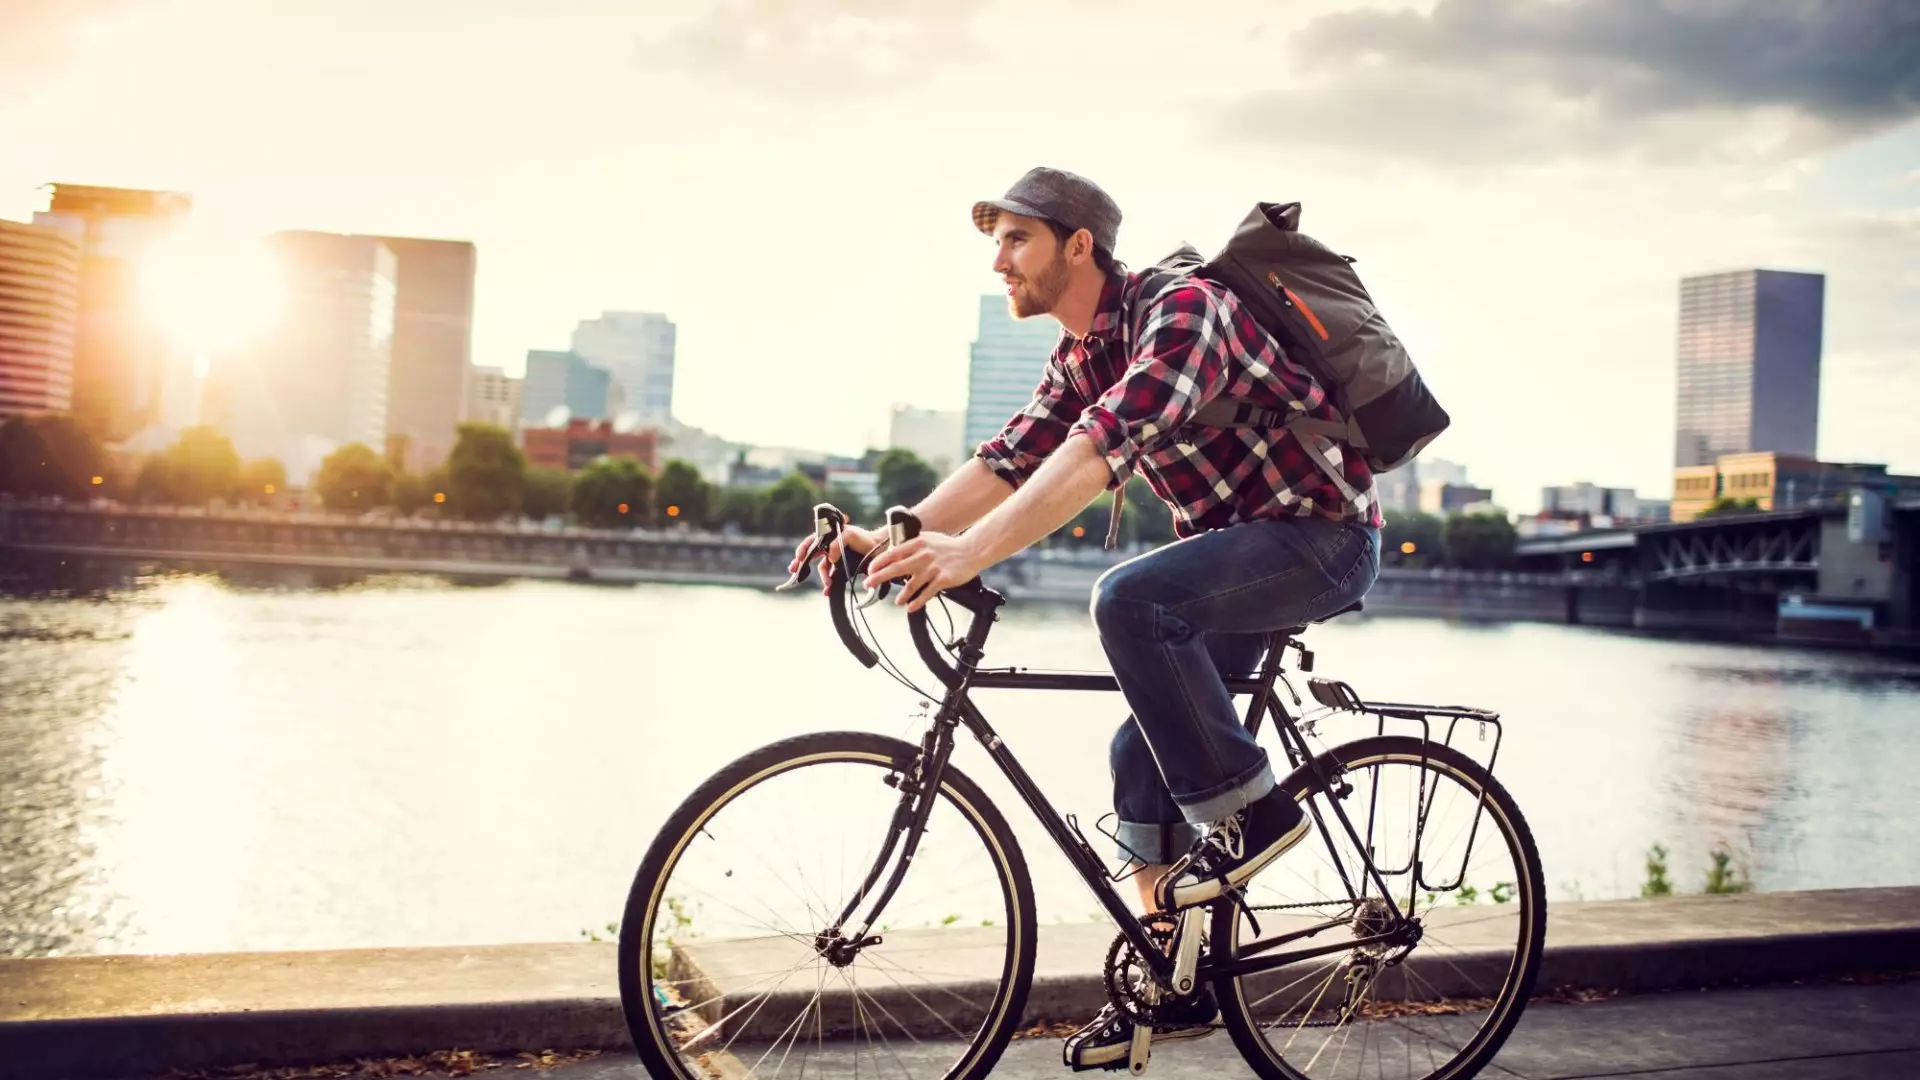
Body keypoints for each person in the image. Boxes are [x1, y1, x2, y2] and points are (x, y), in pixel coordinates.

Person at [786, 165, 1383, 1069]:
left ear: (1079, 245)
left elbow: (1101, 451)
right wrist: (890, 536)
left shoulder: (1184, 311)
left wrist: (970, 555)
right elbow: (1010, 460)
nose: (999, 262)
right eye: (996, 242)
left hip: (1319, 541)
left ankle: (1258, 819)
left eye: (1016, 238)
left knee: (1129, 599)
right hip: (1234, 558)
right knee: (1137, 756)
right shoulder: (1079, 355)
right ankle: (1180, 988)